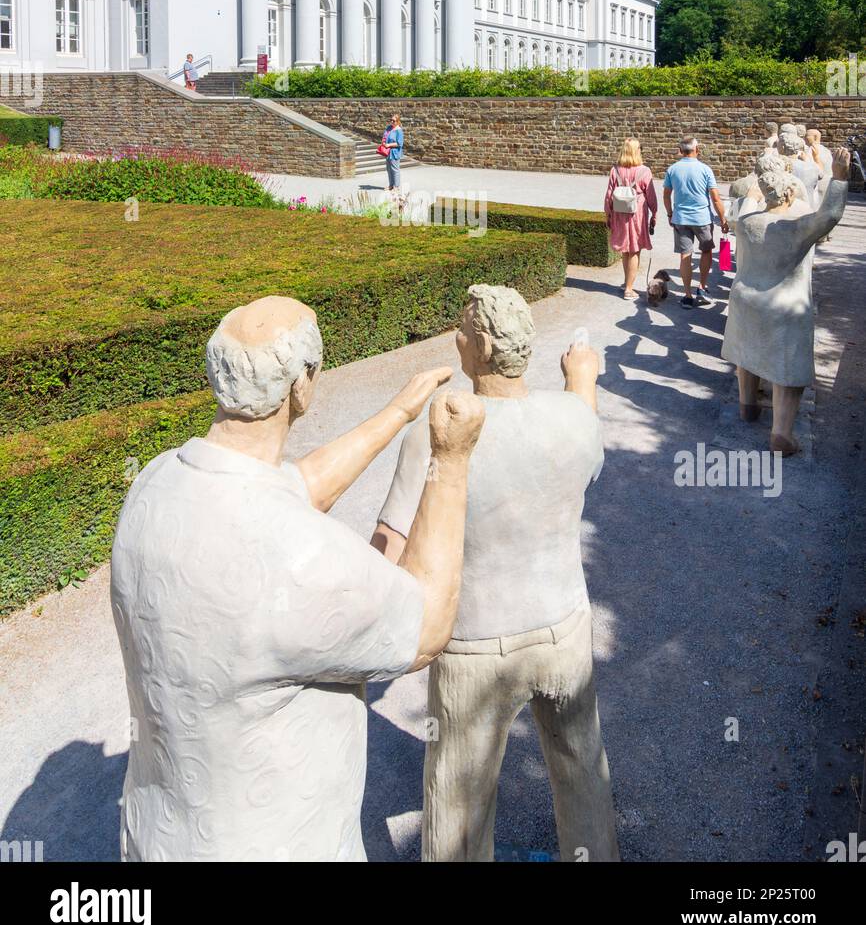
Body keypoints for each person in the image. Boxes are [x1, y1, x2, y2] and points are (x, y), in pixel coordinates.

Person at [110, 295, 485, 861]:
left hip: (158, 839)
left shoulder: (154, 485)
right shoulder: (303, 555)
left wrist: (397, 413)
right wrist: (450, 459)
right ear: (301, 387)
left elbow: (291, 485)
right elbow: (428, 622)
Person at [372, 284, 619, 864]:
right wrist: (583, 375)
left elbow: (389, 547)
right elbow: (582, 422)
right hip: (564, 627)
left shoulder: (437, 433)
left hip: (474, 643)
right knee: (583, 766)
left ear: (479, 345)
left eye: (461, 331)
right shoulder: (573, 419)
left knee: (459, 796)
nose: (456, 338)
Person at [722, 149, 849, 455]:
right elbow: (829, 215)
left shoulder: (749, 222)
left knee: (747, 354)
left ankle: (747, 405)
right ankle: (781, 433)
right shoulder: (797, 225)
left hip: (745, 300)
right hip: (784, 305)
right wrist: (840, 178)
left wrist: (753, 195)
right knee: (787, 371)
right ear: (791, 195)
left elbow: (736, 214)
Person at [663, 138, 729, 308]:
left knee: (685, 255)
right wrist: (723, 219)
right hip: (702, 218)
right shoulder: (705, 169)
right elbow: (715, 198)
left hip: (681, 218)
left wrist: (670, 214)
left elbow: (666, 195)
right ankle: (702, 287)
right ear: (697, 149)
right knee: (706, 250)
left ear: (680, 150)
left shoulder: (672, 169)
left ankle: (687, 295)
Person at [603, 136, 658, 300]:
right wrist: (654, 213)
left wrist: (608, 213)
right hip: (637, 213)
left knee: (625, 250)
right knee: (634, 250)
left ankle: (627, 282)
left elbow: (608, 195)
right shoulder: (644, 171)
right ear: (637, 151)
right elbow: (651, 196)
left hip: (620, 213)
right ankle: (629, 288)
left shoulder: (615, 170)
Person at [382, 113, 404, 193]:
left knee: (395, 169)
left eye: (394, 121)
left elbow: (399, 143)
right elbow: (384, 137)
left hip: (394, 153)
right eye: (391, 120)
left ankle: (396, 186)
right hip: (387, 152)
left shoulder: (399, 131)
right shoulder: (389, 128)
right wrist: (384, 142)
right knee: (389, 169)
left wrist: (389, 145)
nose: (392, 122)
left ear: (398, 122)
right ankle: (391, 185)